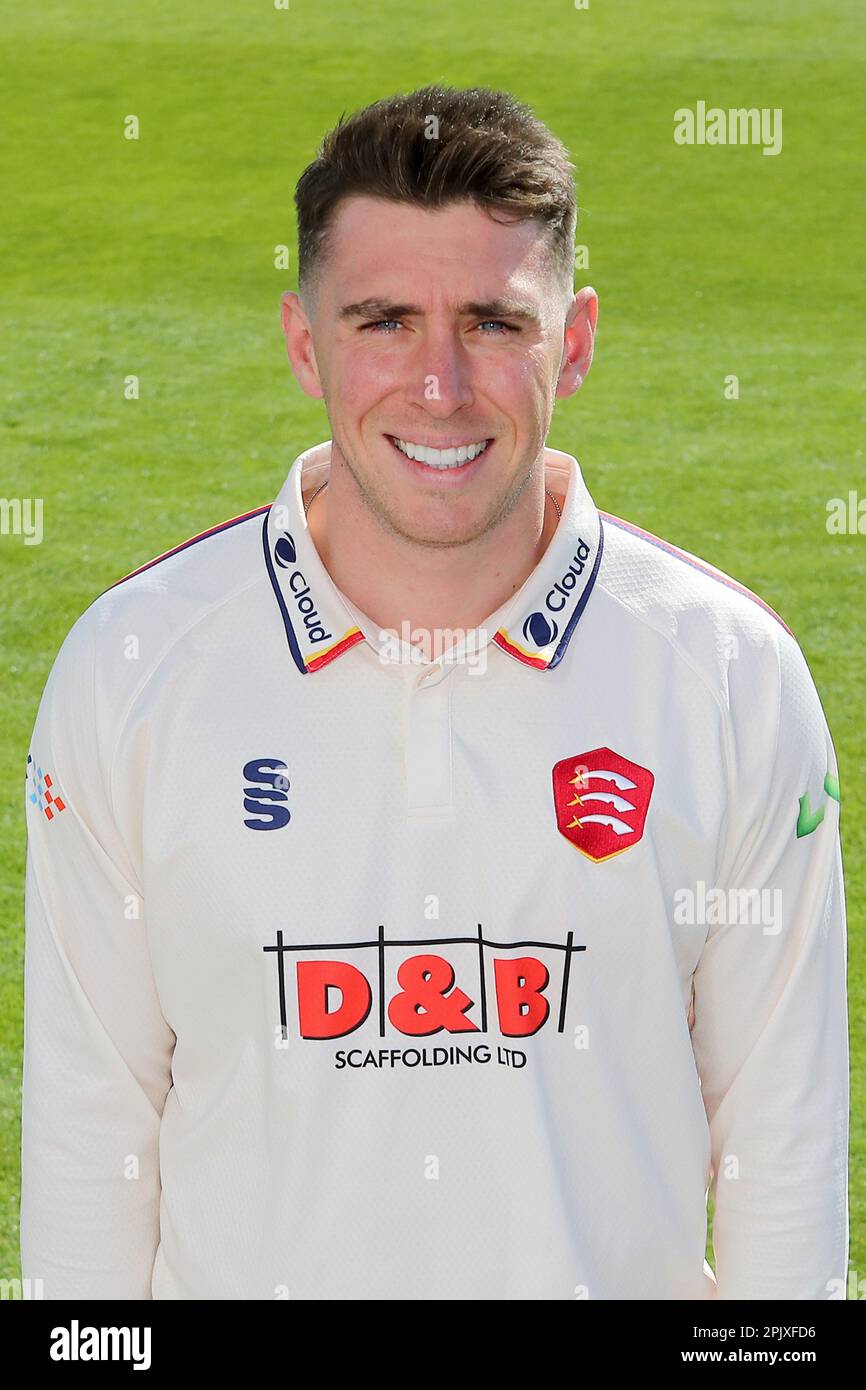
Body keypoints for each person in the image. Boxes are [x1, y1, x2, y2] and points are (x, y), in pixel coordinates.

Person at [20, 83, 848, 1300]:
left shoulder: (726, 674)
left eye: (492, 324)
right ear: (305, 344)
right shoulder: (134, 667)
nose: (441, 388)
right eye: (385, 321)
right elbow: (95, 1131)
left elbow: (777, 1138)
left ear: (573, 338)